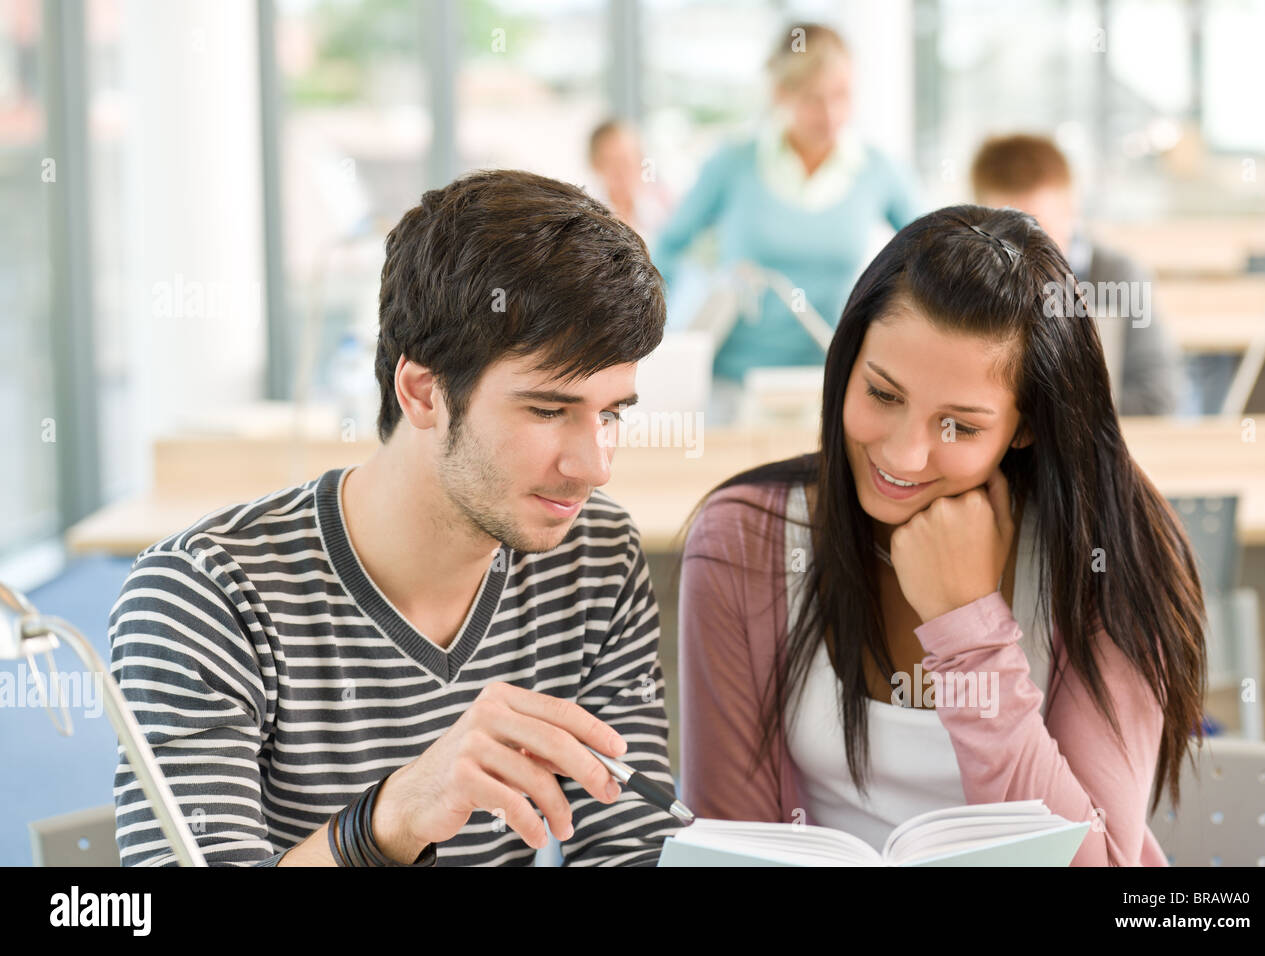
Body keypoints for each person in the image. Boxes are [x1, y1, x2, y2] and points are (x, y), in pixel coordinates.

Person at [109, 169, 678, 866]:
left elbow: (630, 850)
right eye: (549, 410)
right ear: (423, 392)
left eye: (612, 412)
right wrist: (390, 820)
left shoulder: (596, 553)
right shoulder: (202, 595)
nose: (595, 466)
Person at [677, 205, 1207, 866]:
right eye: (882, 394)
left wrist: (968, 629)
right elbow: (737, 849)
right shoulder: (743, 540)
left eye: (958, 424)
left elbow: (1096, 865)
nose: (903, 455)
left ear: (1026, 425)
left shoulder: (1117, 553)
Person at [652, 23, 925, 414]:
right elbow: (667, 248)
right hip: (732, 382)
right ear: (781, 93)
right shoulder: (732, 165)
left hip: (831, 378)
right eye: (813, 98)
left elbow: (937, 252)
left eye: (842, 95)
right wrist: (652, 340)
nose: (830, 114)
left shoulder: (879, 171)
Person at [971, 133, 1183, 416]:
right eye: (1003, 237)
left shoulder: (1117, 276)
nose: (1021, 252)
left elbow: (1158, 398)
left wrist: (1047, 418)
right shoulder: (971, 285)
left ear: (1071, 212)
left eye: (1037, 230)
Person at [587, 118, 674, 242]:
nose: (622, 171)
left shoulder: (662, 205)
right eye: (612, 162)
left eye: (628, 160)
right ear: (595, 164)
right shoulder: (589, 215)